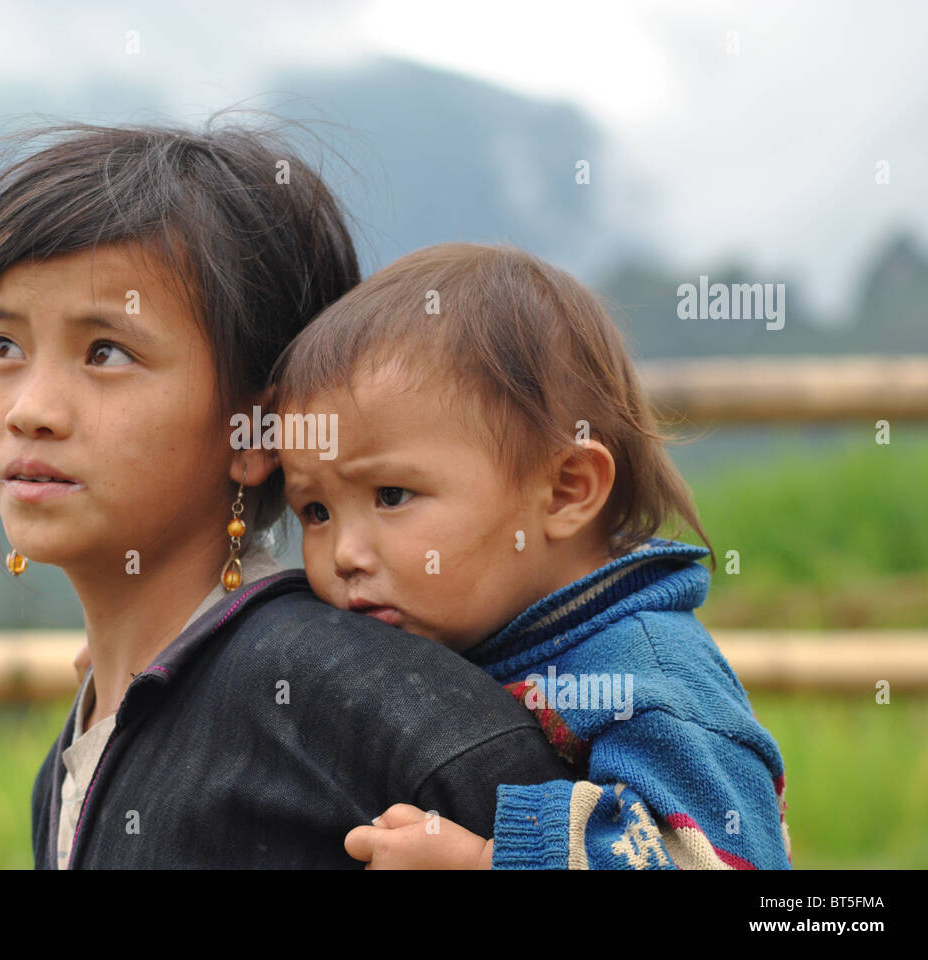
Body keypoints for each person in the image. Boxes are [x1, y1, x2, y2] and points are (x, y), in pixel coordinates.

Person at [0, 120, 573, 868]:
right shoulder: (76, 751)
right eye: (4, 347)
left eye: (106, 352)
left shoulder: (345, 694)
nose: (30, 409)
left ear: (255, 431)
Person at [271, 242, 793, 869]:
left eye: (391, 495)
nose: (344, 554)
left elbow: (717, 861)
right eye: (315, 512)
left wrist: (489, 860)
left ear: (565, 491)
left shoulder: (649, 679)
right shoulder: (452, 633)